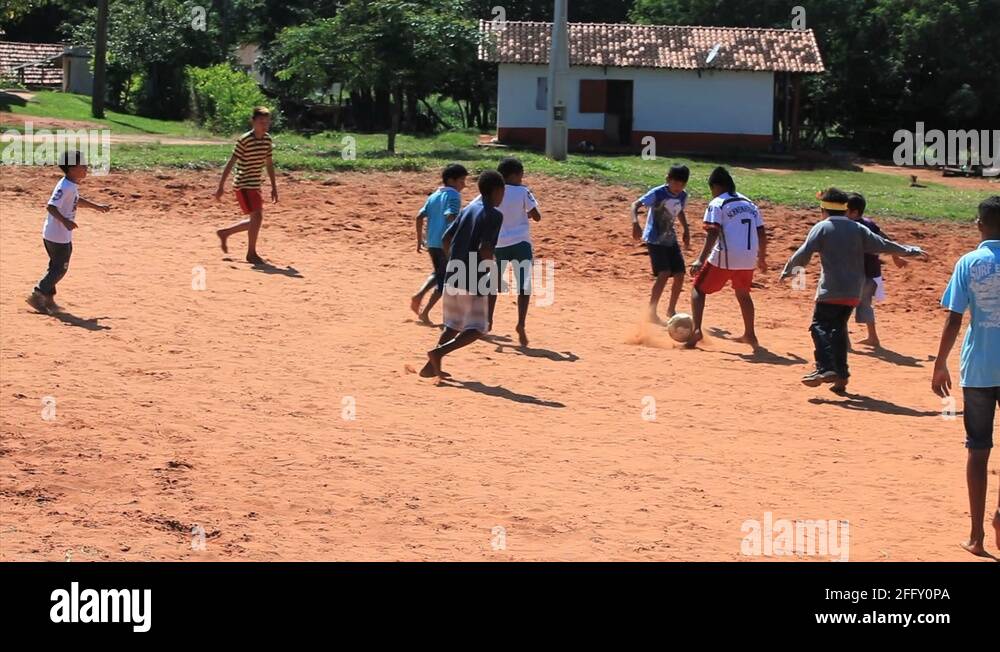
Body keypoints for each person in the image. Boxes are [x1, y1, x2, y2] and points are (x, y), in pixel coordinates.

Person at [779, 188, 926, 392]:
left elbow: (804, 253)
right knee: (838, 331)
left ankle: (825, 367)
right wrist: (911, 250)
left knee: (818, 326)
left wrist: (789, 271)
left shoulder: (822, 227)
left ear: (824, 210)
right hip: (853, 292)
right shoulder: (858, 229)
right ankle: (842, 378)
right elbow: (883, 244)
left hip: (830, 289)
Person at [931, 196, 1000, 557]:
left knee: (978, 448)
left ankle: (976, 537)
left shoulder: (969, 262)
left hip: (979, 369)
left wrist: (940, 362)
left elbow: (954, 317)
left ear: (980, 225)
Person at [419, 171, 505, 379]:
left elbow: (446, 238)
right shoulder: (494, 215)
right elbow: (486, 248)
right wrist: (490, 270)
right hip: (475, 272)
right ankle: (437, 353)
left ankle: (430, 367)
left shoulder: (468, 209)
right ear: (497, 191)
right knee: (479, 328)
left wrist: (453, 261)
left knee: (453, 325)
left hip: (455, 269)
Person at [687, 167, 766, 349]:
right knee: (743, 294)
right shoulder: (749, 203)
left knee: (698, 289)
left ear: (715, 186)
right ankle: (750, 335)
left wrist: (700, 259)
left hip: (727, 254)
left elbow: (712, 232)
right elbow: (761, 232)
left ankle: (696, 330)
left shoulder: (717, 203)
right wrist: (761, 257)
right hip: (748, 256)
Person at [26, 150, 111, 315]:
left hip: (53, 234)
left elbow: (75, 201)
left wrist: (96, 207)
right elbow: (51, 206)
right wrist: (65, 221)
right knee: (60, 268)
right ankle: (38, 294)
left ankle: (49, 300)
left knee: (55, 267)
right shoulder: (66, 186)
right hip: (58, 236)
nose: (86, 167)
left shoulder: (69, 185)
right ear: (72, 168)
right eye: (83, 165)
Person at [487, 157, 541, 346]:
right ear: (515, 175)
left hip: (499, 243)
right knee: (524, 286)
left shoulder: (495, 191)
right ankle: (520, 324)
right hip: (521, 243)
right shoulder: (523, 191)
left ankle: (488, 320)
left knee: (493, 284)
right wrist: (522, 212)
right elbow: (537, 217)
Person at [215, 106, 278, 264]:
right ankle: (251, 253)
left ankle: (225, 233)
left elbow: (269, 164)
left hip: (255, 184)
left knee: (256, 219)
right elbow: (231, 163)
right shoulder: (244, 140)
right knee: (257, 216)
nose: (265, 125)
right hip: (243, 183)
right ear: (253, 121)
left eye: (267, 122)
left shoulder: (267, 140)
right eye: (261, 122)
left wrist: (274, 186)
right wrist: (221, 186)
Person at [846, 192, 907, 348]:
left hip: (857, 275)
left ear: (854, 212)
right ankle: (873, 337)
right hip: (872, 275)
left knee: (844, 305)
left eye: (844, 210)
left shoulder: (851, 227)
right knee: (865, 304)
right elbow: (886, 241)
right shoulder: (870, 224)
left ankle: (844, 341)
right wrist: (896, 257)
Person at [631, 164, 690, 323]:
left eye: (682, 184)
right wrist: (635, 223)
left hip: (670, 238)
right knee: (664, 273)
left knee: (679, 274)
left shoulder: (683, 196)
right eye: (676, 183)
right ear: (668, 180)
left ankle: (671, 310)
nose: (679, 187)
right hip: (654, 238)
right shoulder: (657, 193)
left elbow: (680, 211)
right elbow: (635, 205)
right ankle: (651, 311)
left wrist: (686, 229)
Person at [411, 163, 468, 323]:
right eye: (461, 181)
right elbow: (451, 216)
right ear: (451, 180)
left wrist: (419, 240)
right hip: (446, 243)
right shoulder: (454, 196)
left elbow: (419, 217)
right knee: (446, 279)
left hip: (432, 242)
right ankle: (425, 312)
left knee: (439, 273)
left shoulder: (434, 195)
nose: (464, 185)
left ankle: (419, 295)